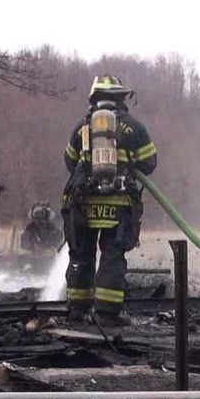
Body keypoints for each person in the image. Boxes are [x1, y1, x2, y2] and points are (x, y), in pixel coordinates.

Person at [62, 74, 157, 326]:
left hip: (82, 205)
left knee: (81, 255)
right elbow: (149, 163)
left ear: (94, 99)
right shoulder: (134, 127)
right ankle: (106, 314)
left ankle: (77, 311)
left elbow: (70, 162)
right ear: (120, 97)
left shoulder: (81, 128)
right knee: (112, 256)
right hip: (118, 206)